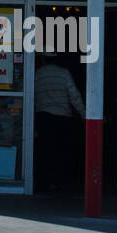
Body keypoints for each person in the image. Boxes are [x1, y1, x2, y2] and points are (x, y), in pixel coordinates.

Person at [34, 53, 86, 192]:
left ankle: (45, 181)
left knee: (45, 151)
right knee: (60, 150)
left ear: (44, 58)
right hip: (62, 118)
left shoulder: (37, 74)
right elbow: (74, 96)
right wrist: (84, 115)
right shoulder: (64, 73)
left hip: (43, 117)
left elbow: (31, 96)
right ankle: (59, 181)